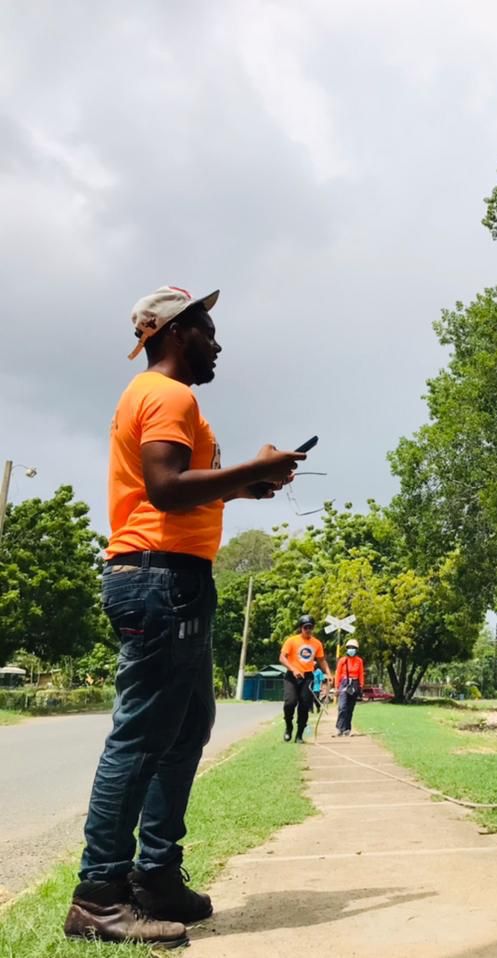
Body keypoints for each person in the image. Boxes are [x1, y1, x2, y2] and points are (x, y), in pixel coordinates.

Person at [65, 286, 304, 947]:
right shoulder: (170, 396)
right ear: (174, 333)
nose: (218, 343)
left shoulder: (164, 399)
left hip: (174, 579)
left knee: (185, 730)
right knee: (141, 739)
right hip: (158, 577)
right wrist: (250, 469)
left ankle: (156, 876)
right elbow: (165, 490)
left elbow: (185, 489)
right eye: (207, 329)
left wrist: (251, 481)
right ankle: (99, 896)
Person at [279, 615, 332, 742]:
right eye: (305, 627)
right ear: (301, 628)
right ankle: (288, 726)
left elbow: (321, 660)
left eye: (310, 627)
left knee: (304, 706)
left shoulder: (316, 643)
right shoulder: (292, 641)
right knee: (290, 703)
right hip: (292, 676)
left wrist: (329, 674)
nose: (308, 630)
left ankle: (299, 735)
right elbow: (282, 658)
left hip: (308, 676)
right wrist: (294, 669)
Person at [333, 638, 365, 736]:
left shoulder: (359, 661)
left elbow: (361, 674)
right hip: (344, 682)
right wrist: (337, 687)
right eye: (350, 648)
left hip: (354, 683)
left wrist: (361, 686)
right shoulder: (342, 660)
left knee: (350, 708)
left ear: (356, 649)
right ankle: (339, 728)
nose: (351, 649)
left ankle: (347, 728)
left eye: (353, 648)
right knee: (342, 706)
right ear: (347, 649)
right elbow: (338, 673)